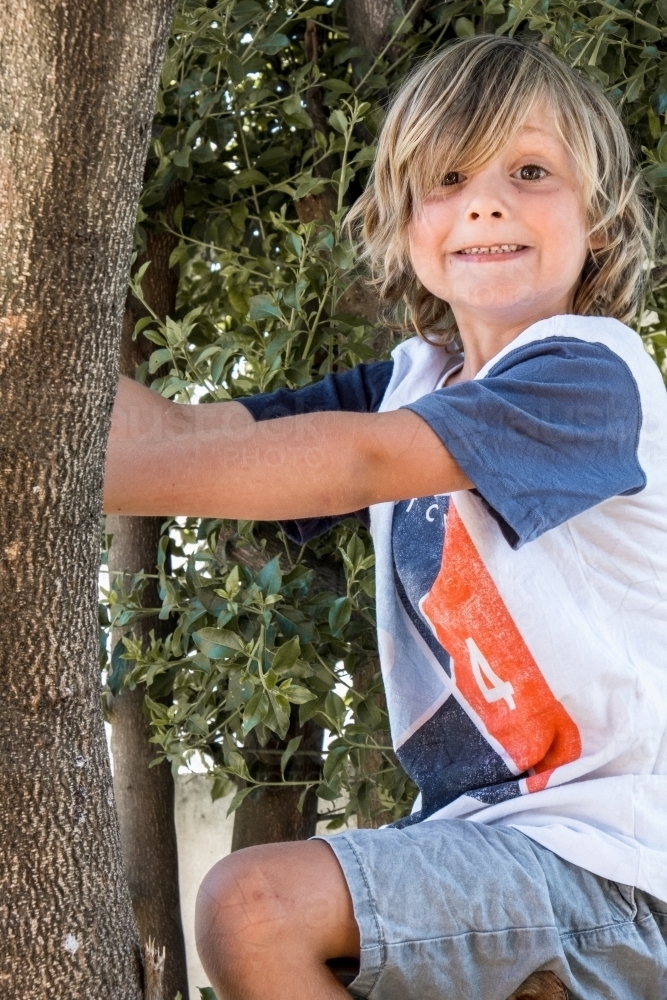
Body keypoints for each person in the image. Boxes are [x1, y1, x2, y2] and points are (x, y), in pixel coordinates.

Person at [105, 36, 667, 1000]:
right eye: (448, 177)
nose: (486, 202)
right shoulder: (408, 382)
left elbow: (358, 460)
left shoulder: (591, 373)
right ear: (405, 220)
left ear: (602, 220)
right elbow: (180, 432)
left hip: (616, 864)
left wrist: (96, 473)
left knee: (254, 909)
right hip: (488, 850)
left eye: (528, 172)